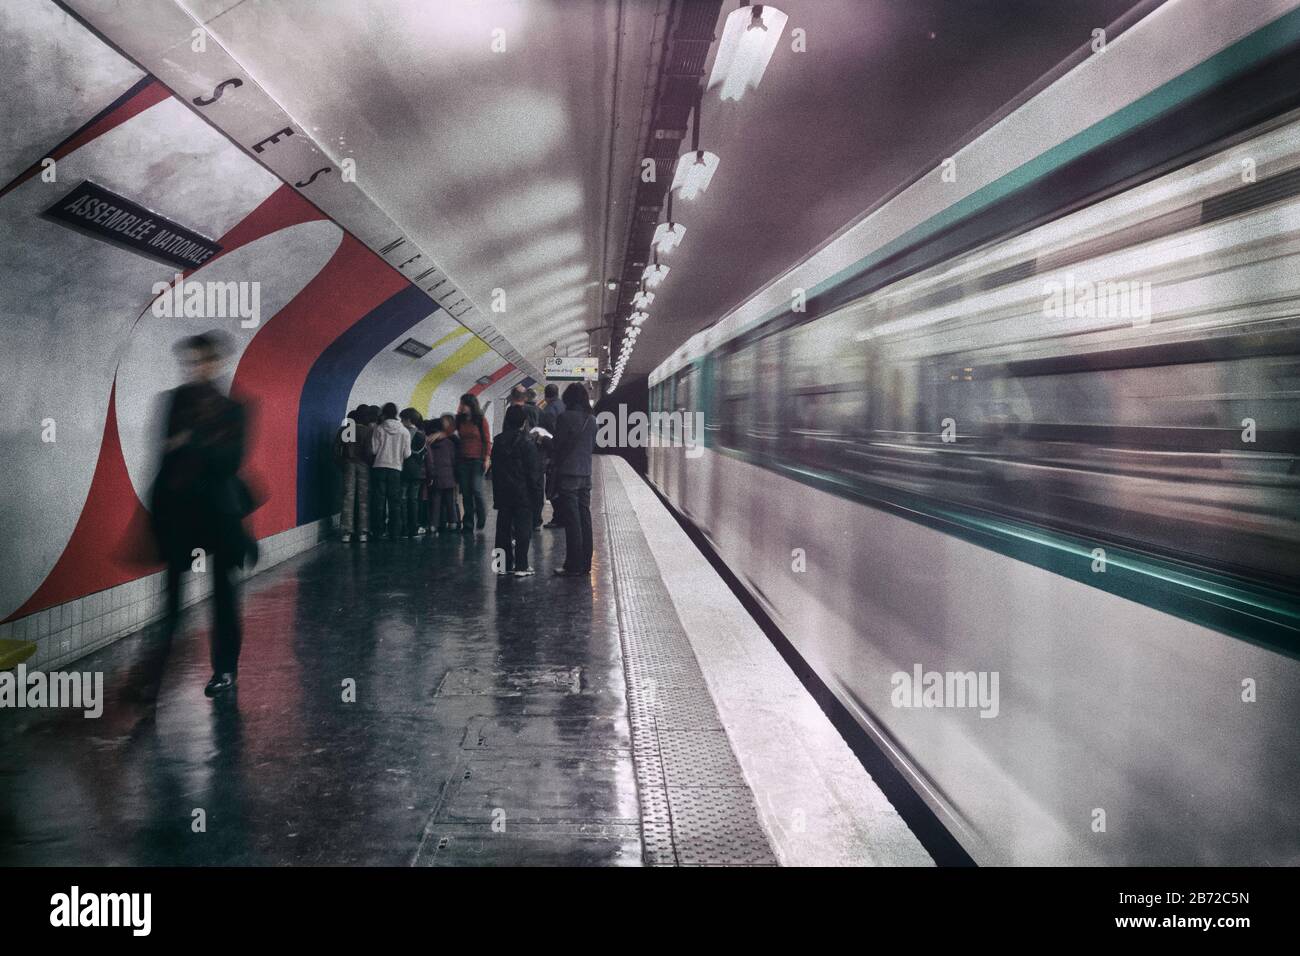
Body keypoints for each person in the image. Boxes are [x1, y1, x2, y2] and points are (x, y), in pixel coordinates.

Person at [149, 331, 256, 697]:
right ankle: (156, 675)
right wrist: (199, 444)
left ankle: (225, 669)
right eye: (189, 362)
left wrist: (188, 441)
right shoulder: (173, 401)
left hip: (218, 513)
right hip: (178, 512)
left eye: (201, 362)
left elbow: (230, 462)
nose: (194, 369)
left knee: (223, 594)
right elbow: (163, 456)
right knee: (171, 598)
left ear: (215, 363)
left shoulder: (235, 409)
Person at [490, 404, 542, 576]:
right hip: (523, 493)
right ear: (524, 422)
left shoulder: (498, 441)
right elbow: (533, 473)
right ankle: (521, 566)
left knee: (502, 530)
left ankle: (502, 565)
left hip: (503, 492)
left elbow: (495, 469)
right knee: (523, 530)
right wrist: (536, 495)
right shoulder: (527, 443)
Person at [550, 383, 597, 576]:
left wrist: (543, 440)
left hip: (568, 474)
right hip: (585, 474)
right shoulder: (592, 419)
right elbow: (591, 446)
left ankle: (573, 565)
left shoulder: (564, 417)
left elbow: (557, 445)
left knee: (572, 521)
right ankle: (586, 564)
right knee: (585, 518)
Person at [369, 402, 411, 538]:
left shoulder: (379, 429)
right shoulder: (404, 431)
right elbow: (407, 454)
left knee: (379, 501)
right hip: (395, 469)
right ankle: (395, 532)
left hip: (379, 467)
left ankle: (378, 531)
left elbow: (374, 450)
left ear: (384, 413)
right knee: (395, 502)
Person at [334, 406, 372, 543]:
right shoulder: (368, 431)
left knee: (348, 497)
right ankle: (362, 532)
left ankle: (346, 533)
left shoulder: (345, 430)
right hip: (363, 465)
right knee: (363, 498)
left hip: (348, 464)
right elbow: (369, 451)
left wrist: (342, 464)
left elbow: (336, 450)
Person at [454, 394, 491, 533]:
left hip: (478, 460)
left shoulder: (480, 420)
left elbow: (487, 440)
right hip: (463, 459)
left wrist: (487, 458)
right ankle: (468, 523)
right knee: (466, 492)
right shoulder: (459, 420)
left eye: (464, 404)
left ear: (471, 405)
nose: (461, 406)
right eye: (461, 403)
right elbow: (449, 431)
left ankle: (481, 515)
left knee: (476, 489)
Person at [425, 414, 460, 532]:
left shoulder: (429, 444)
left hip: (436, 476)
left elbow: (429, 461)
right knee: (450, 501)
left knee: (436, 501)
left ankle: (433, 525)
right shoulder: (451, 443)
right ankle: (453, 522)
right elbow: (454, 460)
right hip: (449, 477)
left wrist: (430, 475)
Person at [538, 383, 566, 529]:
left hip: (552, 455)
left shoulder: (548, 411)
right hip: (565, 454)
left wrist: (542, 440)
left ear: (545, 395)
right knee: (561, 487)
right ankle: (562, 517)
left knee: (551, 487)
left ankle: (558, 517)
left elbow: (548, 434)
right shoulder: (564, 406)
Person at [399, 407, 427, 537]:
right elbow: (423, 454)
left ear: (408, 420)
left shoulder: (402, 433)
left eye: (402, 419)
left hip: (404, 469)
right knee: (413, 499)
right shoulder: (421, 435)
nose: (401, 422)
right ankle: (414, 527)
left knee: (403, 499)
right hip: (416, 471)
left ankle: (403, 528)